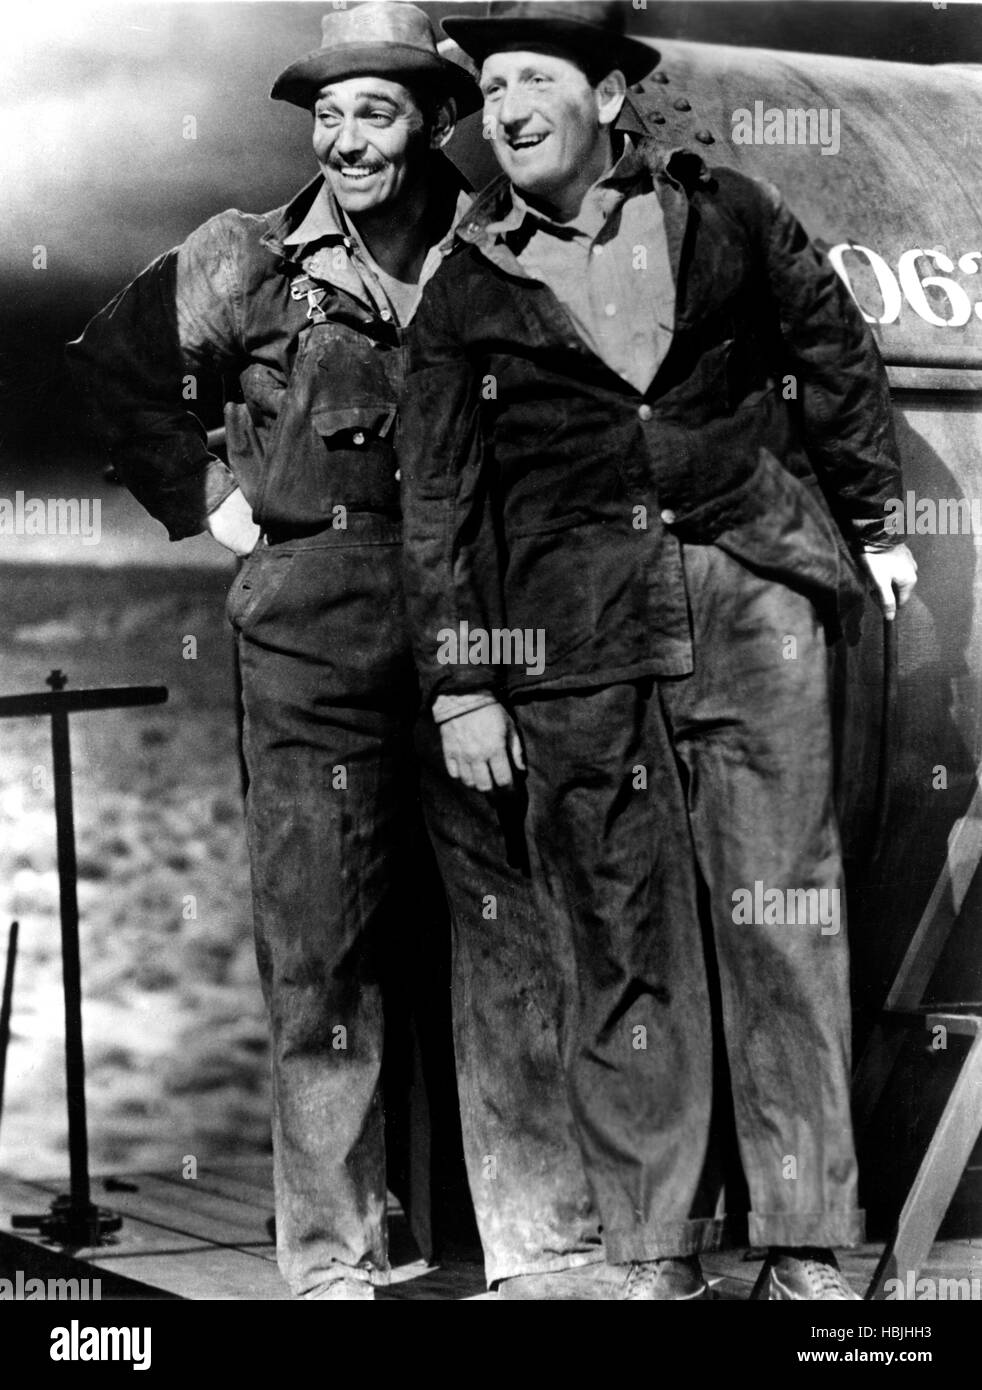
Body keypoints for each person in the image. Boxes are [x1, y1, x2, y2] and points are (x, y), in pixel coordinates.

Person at [68, 2, 607, 1301]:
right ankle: (330, 1259)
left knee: (512, 937)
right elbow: (115, 370)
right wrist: (208, 498)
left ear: (430, 119)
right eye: (328, 112)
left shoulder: (495, 253)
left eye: (376, 111)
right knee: (321, 944)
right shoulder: (243, 255)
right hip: (307, 634)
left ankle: (543, 1247)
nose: (348, 138)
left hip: (474, 632)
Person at [399, 0, 919, 1300]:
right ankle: (650, 1251)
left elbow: (833, 353)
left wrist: (873, 523)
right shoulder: (467, 284)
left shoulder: (725, 214)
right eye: (491, 85)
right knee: (618, 933)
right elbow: (436, 491)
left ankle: (804, 1246)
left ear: (609, 99)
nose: (505, 105)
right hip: (574, 636)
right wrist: (462, 676)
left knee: (780, 914)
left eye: (533, 77)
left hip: (750, 594)